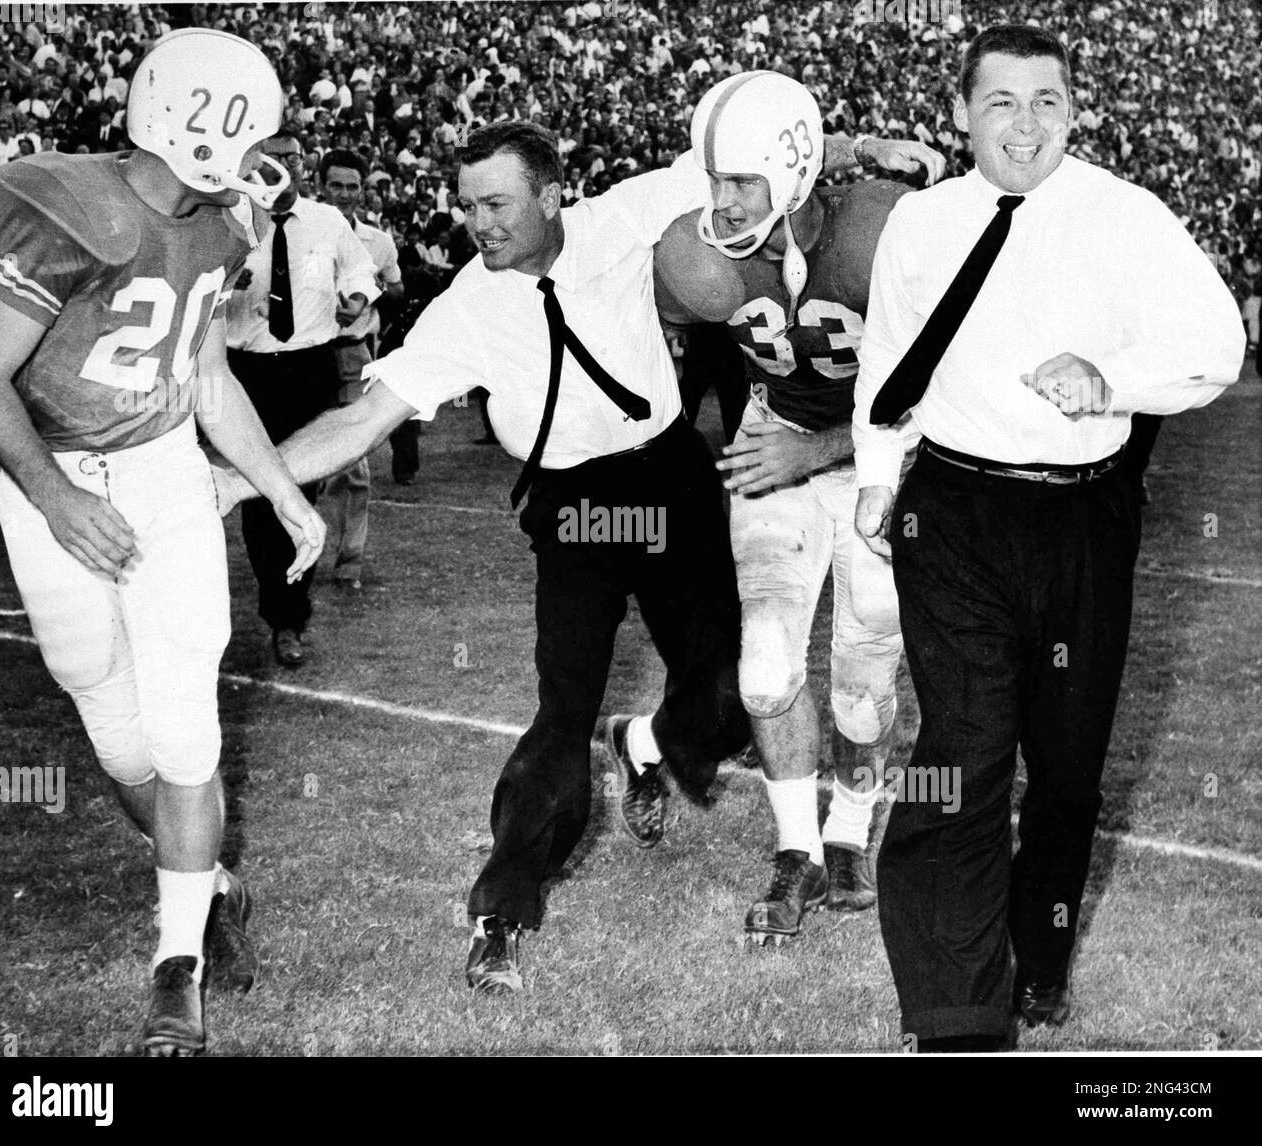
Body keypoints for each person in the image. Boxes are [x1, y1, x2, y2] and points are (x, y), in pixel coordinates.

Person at [213, 119, 755, 997]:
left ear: (551, 196)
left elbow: (731, 161)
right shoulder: (467, 303)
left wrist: (824, 151)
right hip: (578, 507)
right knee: (563, 705)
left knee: (733, 691)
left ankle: (649, 745)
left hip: (671, 485)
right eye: (467, 205)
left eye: (497, 203)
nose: (479, 222)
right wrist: (244, 481)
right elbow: (359, 422)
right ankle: (502, 908)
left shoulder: (623, 218)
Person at [852, 24, 1245, 1052]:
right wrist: (870, 475)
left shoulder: (1125, 217)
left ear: (1074, 111)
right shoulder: (919, 224)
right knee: (962, 751)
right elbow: (888, 362)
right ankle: (956, 1012)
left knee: (1066, 769)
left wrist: (1111, 379)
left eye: (1046, 102)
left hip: (1083, 518)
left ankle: (1039, 953)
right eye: (1000, 101)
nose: (1024, 125)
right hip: (953, 513)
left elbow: (1215, 341)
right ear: (957, 113)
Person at [0, 29, 326, 1057]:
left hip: (164, 472)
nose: (259, 153)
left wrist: (281, 494)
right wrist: (50, 493)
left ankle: (177, 968)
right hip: (55, 480)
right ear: (200, 124)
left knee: (182, 728)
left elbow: (207, 376)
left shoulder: (220, 227)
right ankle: (209, 888)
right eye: (248, 130)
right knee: (112, 724)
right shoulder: (66, 204)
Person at [654, 70, 943, 944]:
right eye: (717, 180)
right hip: (774, 436)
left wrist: (817, 452)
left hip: (881, 458)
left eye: (744, 181)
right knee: (765, 668)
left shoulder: (882, 228)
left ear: (795, 174)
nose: (724, 201)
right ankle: (796, 854)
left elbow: (938, 388)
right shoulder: (699, 241)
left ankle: (850, 831)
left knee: (864, 678)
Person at [224, 130, 379, 666]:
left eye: (291, 158)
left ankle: (289, 614)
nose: (281, 166)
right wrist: (230, 284)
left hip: (310, 366)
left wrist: (355, 295)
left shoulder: (327, 221)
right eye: (272, 158)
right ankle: (281, 609)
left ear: (302, 165)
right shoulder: (233, 218)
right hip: (246, 372)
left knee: (302, 489)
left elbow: (360, 268)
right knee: (258, 492)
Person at [318, 147, 403, 589]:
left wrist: (369, 291)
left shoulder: (378, 241)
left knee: (354, 462)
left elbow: (397, 288)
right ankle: (294, 553)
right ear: (321, 186)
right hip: (302, 357)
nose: (346, 194)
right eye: (337, 185)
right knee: (291, 454)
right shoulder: (302, 232)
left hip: (353, 355)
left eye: (353, 186)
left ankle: (349, 560)